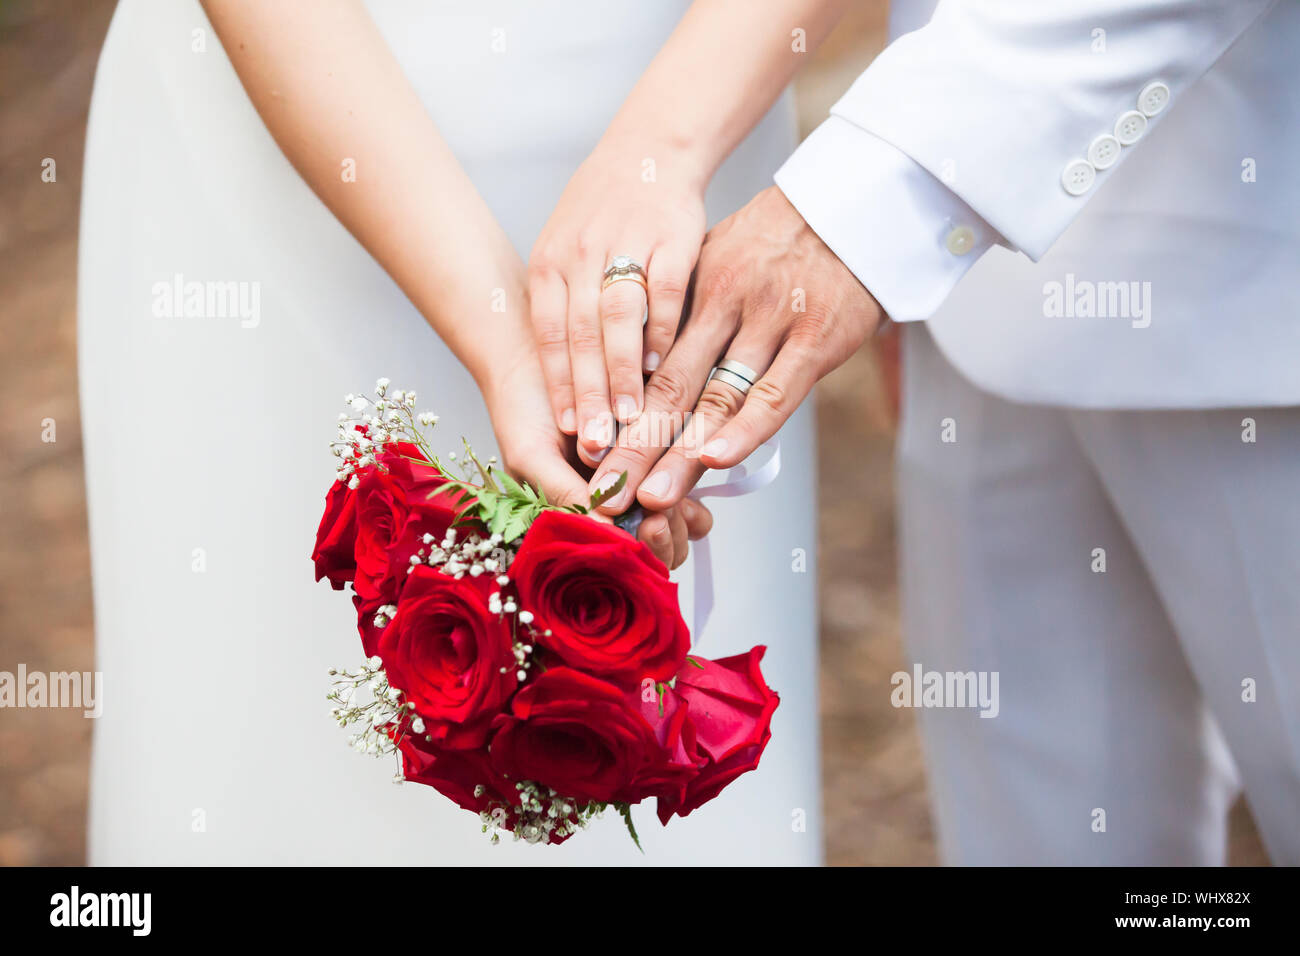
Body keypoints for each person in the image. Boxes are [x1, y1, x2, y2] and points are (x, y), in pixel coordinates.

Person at [79, 0, 839, 864]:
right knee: (263, 724)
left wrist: (661, 155)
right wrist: (503, 347)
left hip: (705, 100)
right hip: (287, 116)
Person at [585, 0, 1299, 864]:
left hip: (1256, 282)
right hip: (971, 294)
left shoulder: (875, 208)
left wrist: (869, 209)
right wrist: (909, 250)